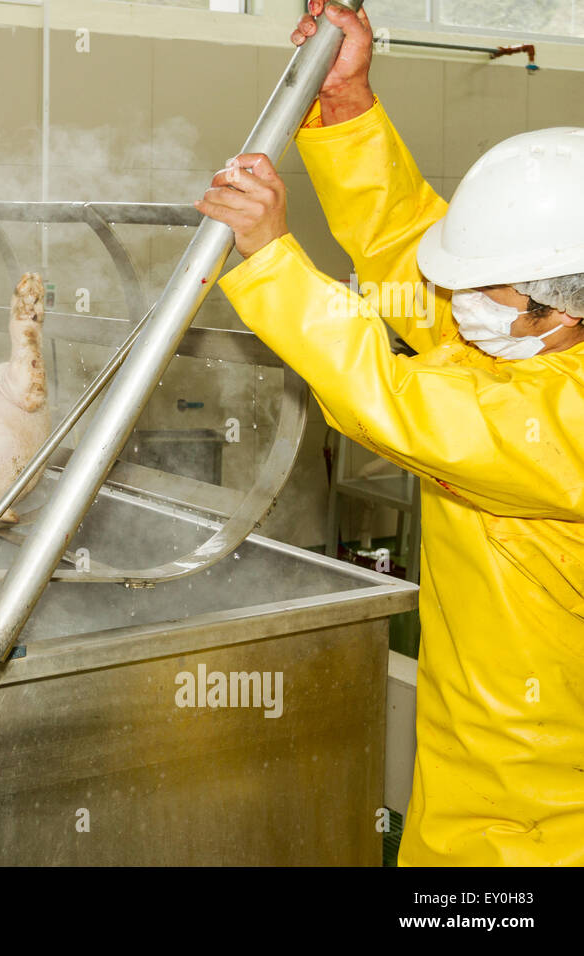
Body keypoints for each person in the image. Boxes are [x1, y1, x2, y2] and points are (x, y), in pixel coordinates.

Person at [196, 0, 584, 865]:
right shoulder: (523, 339)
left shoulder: (566, 423)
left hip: (550, 826)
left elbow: (395, 399)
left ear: (561, 308)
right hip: (470, 783)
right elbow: (411, 243)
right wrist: (347, 103)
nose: (456, 302)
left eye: (485, 291)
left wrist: (273, 264)